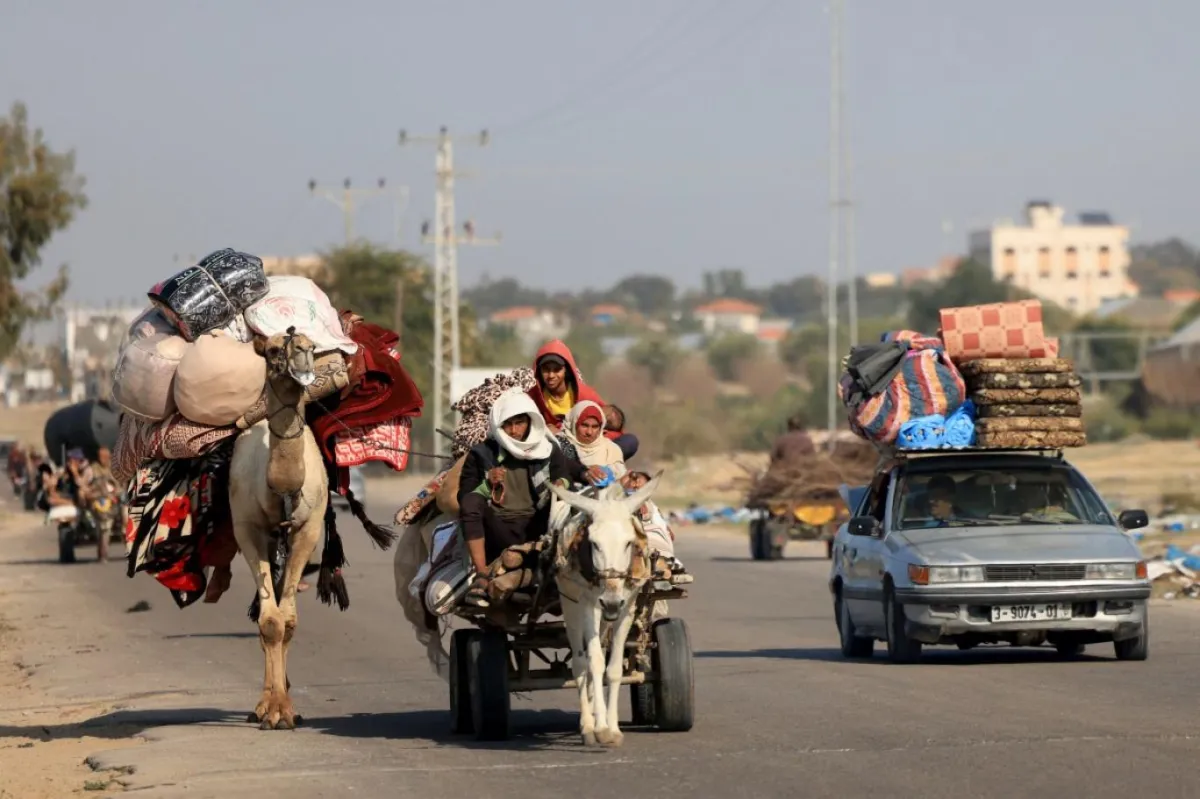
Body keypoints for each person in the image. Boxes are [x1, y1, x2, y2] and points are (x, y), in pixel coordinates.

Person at [458, 390, 597, 608]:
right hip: (497, 528)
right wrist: (488, 483)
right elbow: (464, 495)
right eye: (508, 424)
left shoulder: (547, 449)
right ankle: (482, 574)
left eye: (520, 423)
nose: (514, 430)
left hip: (537, 527)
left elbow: (564, 474)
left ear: (530, 422)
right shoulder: (482, 453)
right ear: (498, 425)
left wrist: (561, 484)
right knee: (470, 504)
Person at [527, 340, 641, 461]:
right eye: (546, 370)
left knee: (630, 441)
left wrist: (593, 436)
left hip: (588, 447)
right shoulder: (533, 397)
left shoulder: (584, 394)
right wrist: (546, 431)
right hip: (556, 450)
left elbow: (611, 426)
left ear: (566, 370)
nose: (551, 375)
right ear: (538, 370)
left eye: (556, 370)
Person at [558, 400, 626, 476]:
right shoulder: (560, 443)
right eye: (584, 425)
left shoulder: (611, 450)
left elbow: (621, 478)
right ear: (574, 423)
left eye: (595, 427)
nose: (589, 432)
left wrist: (604, 471)